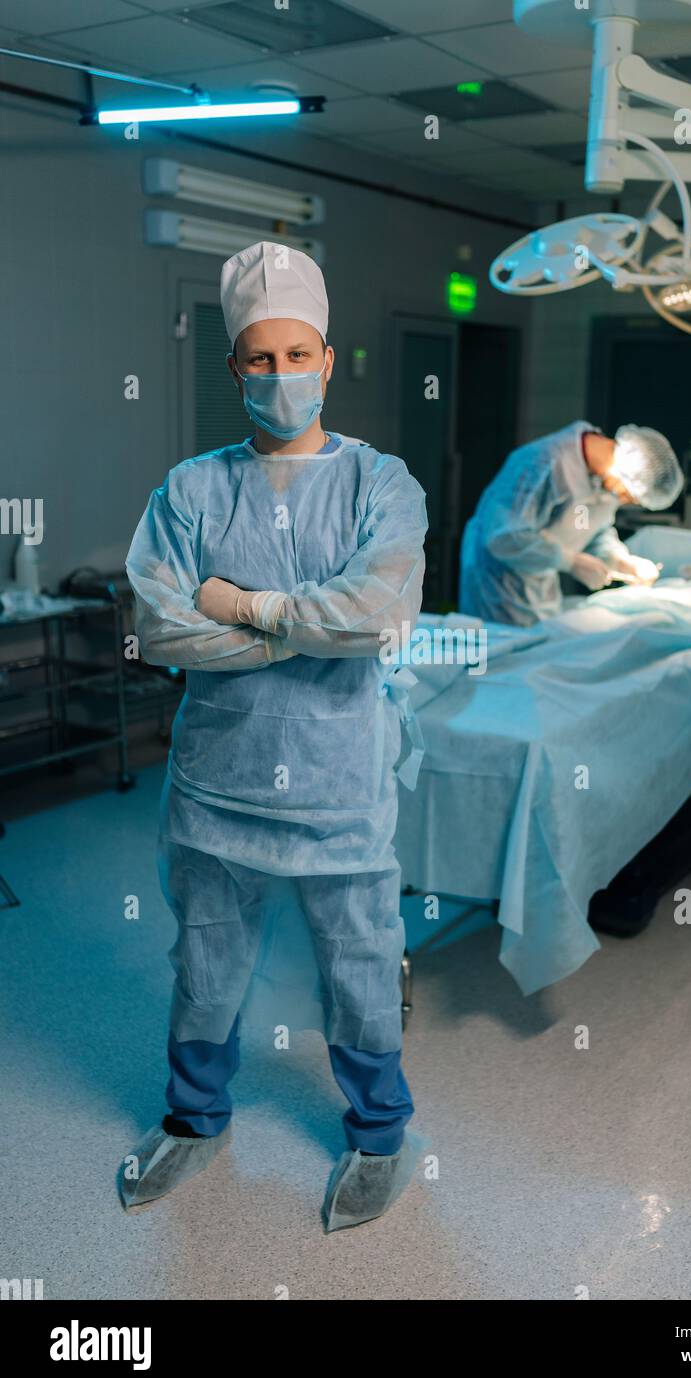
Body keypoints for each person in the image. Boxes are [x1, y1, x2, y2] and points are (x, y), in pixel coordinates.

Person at [122, 242, 428, 1230]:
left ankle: (379, 1132)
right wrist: (297, 628)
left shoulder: (381, 485)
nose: (281, 374)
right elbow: (159, 626)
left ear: (328, 360)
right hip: (217, 786)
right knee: (203, 965)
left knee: (359, 964)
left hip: (339, 787)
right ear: (234, 369)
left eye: (299, 354)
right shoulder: (189, 490)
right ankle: (193, 1116)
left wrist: (238, 604)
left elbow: (373, 617)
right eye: (261, 358)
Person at [458, 421, 684, 626]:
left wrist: (619, 559)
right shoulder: (543, 463)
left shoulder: (603, 482)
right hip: (496, 587)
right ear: (623, 471)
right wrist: (569, 561)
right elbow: (504, 538)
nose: (624, 500)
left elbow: (592, 529)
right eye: (630, 496)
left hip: (540, 586)